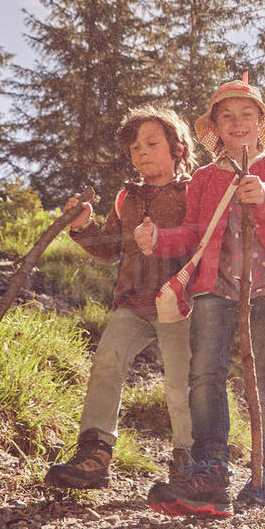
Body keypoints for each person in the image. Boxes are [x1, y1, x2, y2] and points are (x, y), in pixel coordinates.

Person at [138, 80, 265, 517]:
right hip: (214, 284)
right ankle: (211, 468)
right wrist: (158, 239)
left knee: (262, 376)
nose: (237, 123)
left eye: (246, 115)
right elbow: (194, 232)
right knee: (205, 373)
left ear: (259, 123)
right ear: (214, 126)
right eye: (226, 116)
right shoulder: (204, 178)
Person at [44, 106, 197, 490]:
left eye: (151, 143)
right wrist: (82, 228)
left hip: (178, 303)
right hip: (132, 302)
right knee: (107, 362)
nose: (142, 152)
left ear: (176, 148)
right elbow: (110, 248)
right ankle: (94, 454)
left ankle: (188, 460)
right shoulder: (124, 198)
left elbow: (201, 241)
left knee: (180, 382)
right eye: (134, 148)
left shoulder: (191, 192)